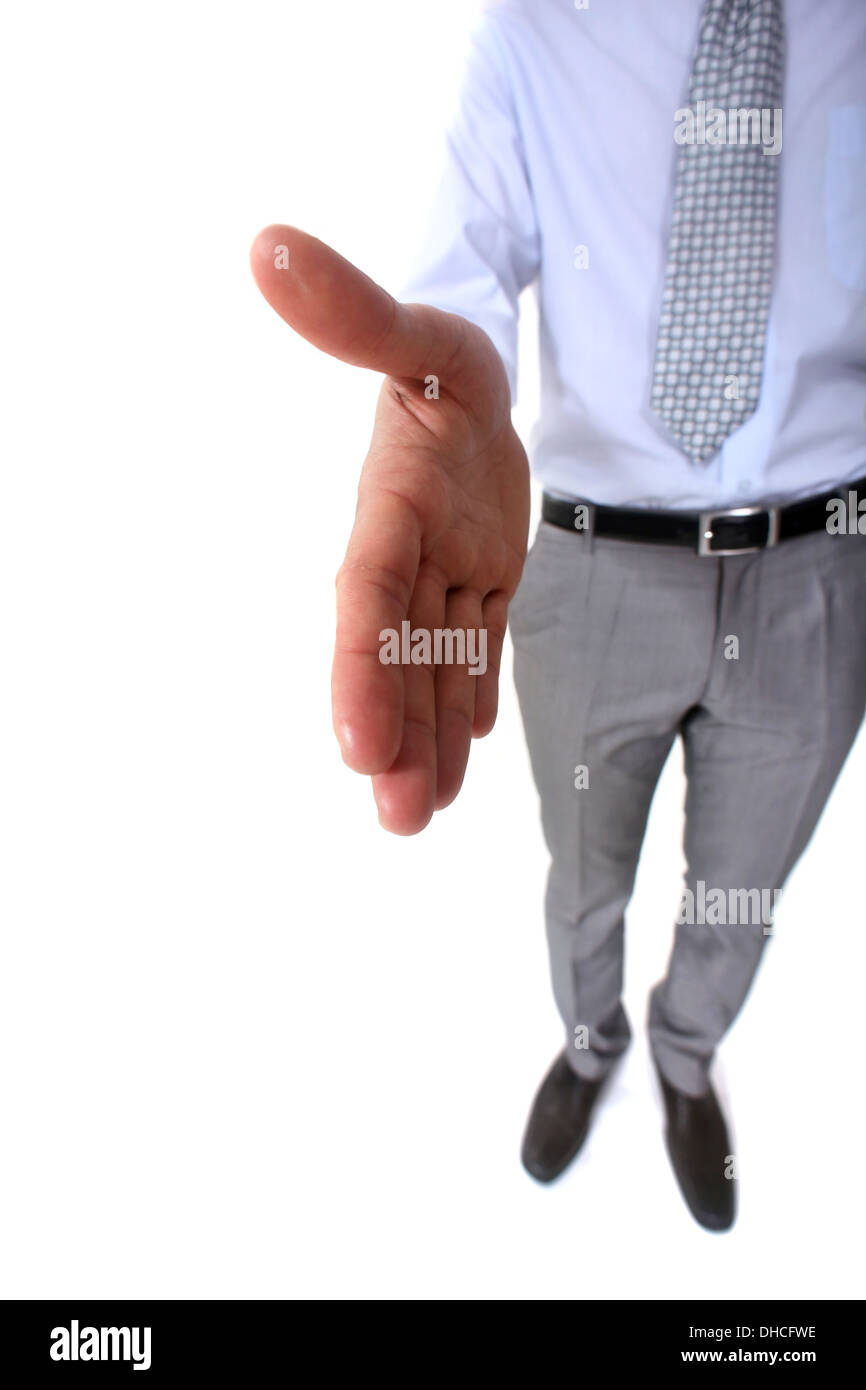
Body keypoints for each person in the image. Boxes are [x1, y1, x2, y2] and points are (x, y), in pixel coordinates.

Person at [250, 0, 866, 1231]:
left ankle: (685, 1057)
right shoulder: (533, 29)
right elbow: (458, 280)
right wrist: (442, 396)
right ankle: (592, 1047)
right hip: (594, 573)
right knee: (582, 870)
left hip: (821, 570)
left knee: (740, 885)